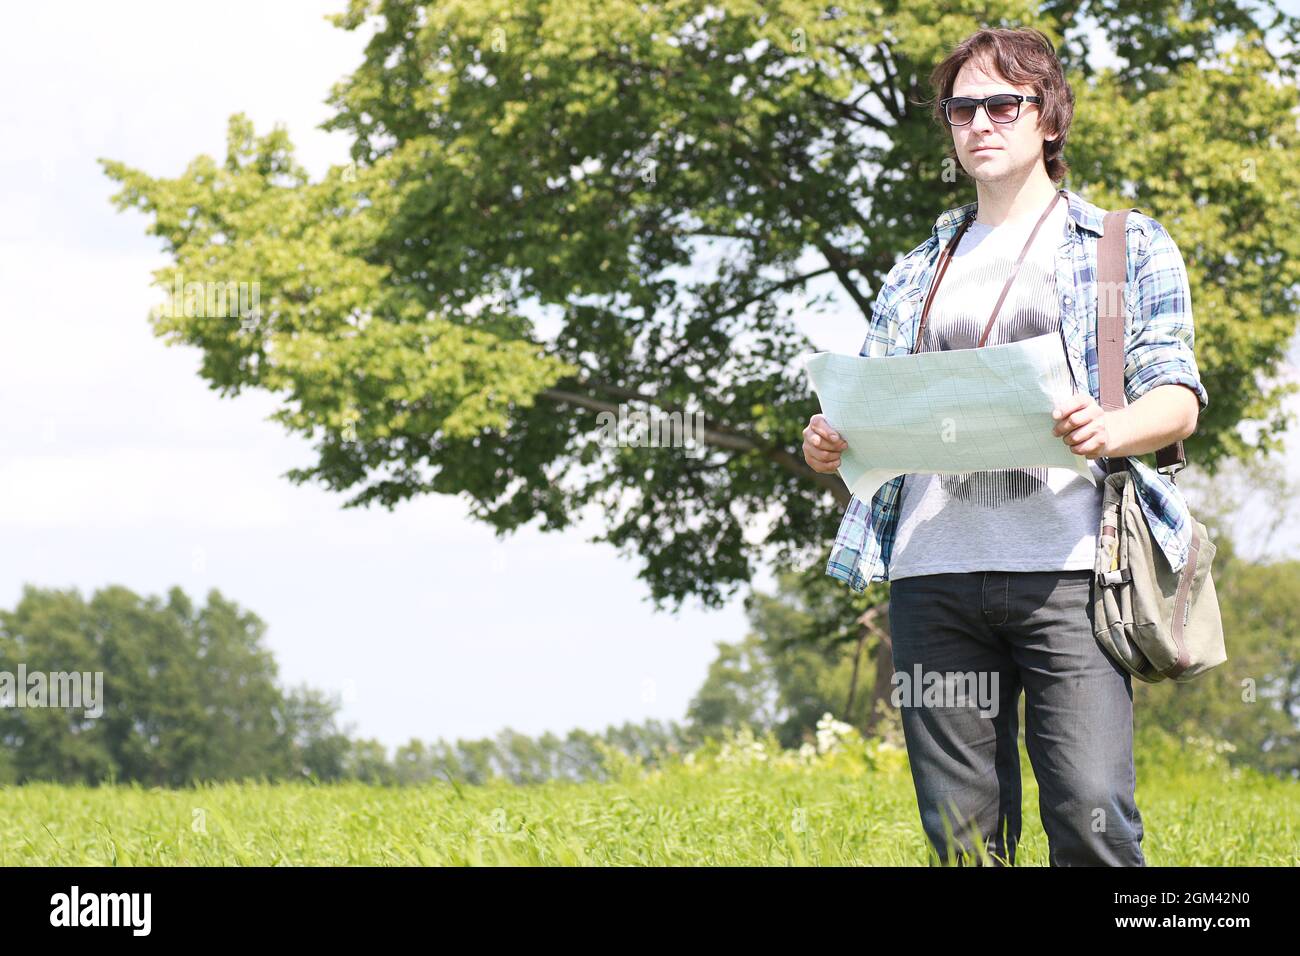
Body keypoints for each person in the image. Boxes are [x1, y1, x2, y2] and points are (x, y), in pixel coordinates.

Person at [802, 27, 1208, 866]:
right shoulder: (918, 266)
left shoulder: (1122, 245)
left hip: (1072, 568)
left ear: (1048, 118)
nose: (980, 123)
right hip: (932, 571)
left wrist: (1112, 428)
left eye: (1002, 104)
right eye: (962, 108)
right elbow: (878, 406)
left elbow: (1176, 397)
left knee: (1092, 807)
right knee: (960, 833)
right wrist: (832, 440)